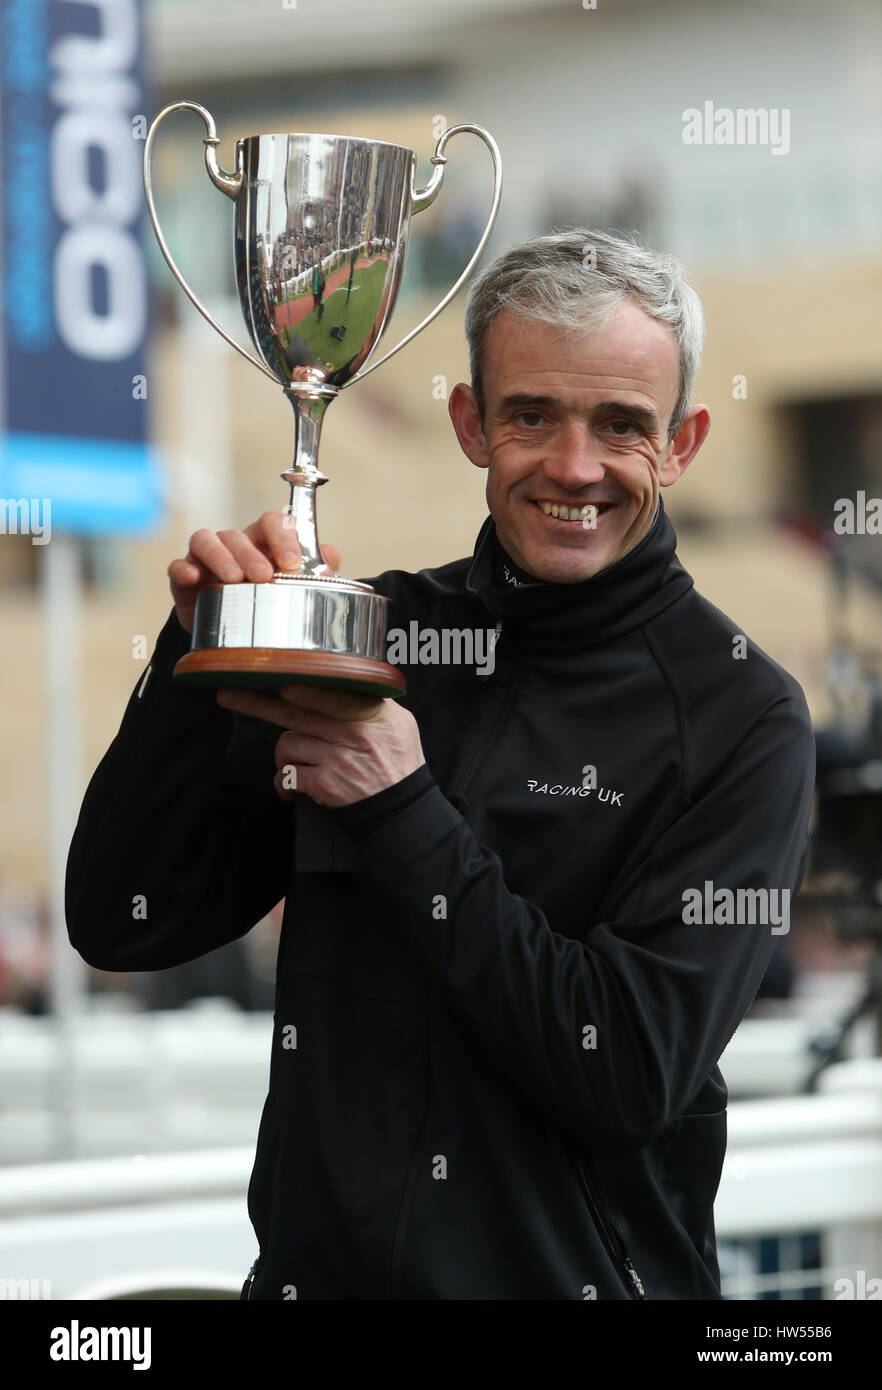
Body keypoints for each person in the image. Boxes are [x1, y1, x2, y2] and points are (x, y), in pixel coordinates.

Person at [65, 229, 815, 1300]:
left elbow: (627, 1069)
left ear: (683, 442)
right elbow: (125, 920)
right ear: (470, 423)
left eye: (621, 425)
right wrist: (194, 661)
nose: (574, 465)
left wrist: (402, 808)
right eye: (531, 415)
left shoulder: (744, 714)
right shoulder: (368, 637)